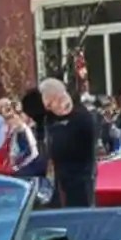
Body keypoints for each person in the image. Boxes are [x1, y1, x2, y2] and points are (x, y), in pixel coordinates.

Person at [40, 78, 100, 207]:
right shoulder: (53, 119)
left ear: (59, 97)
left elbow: (63, 147)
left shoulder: (81, 117)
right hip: (61, 180)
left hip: (79, 182)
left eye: (50, 104)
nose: (49, 109)